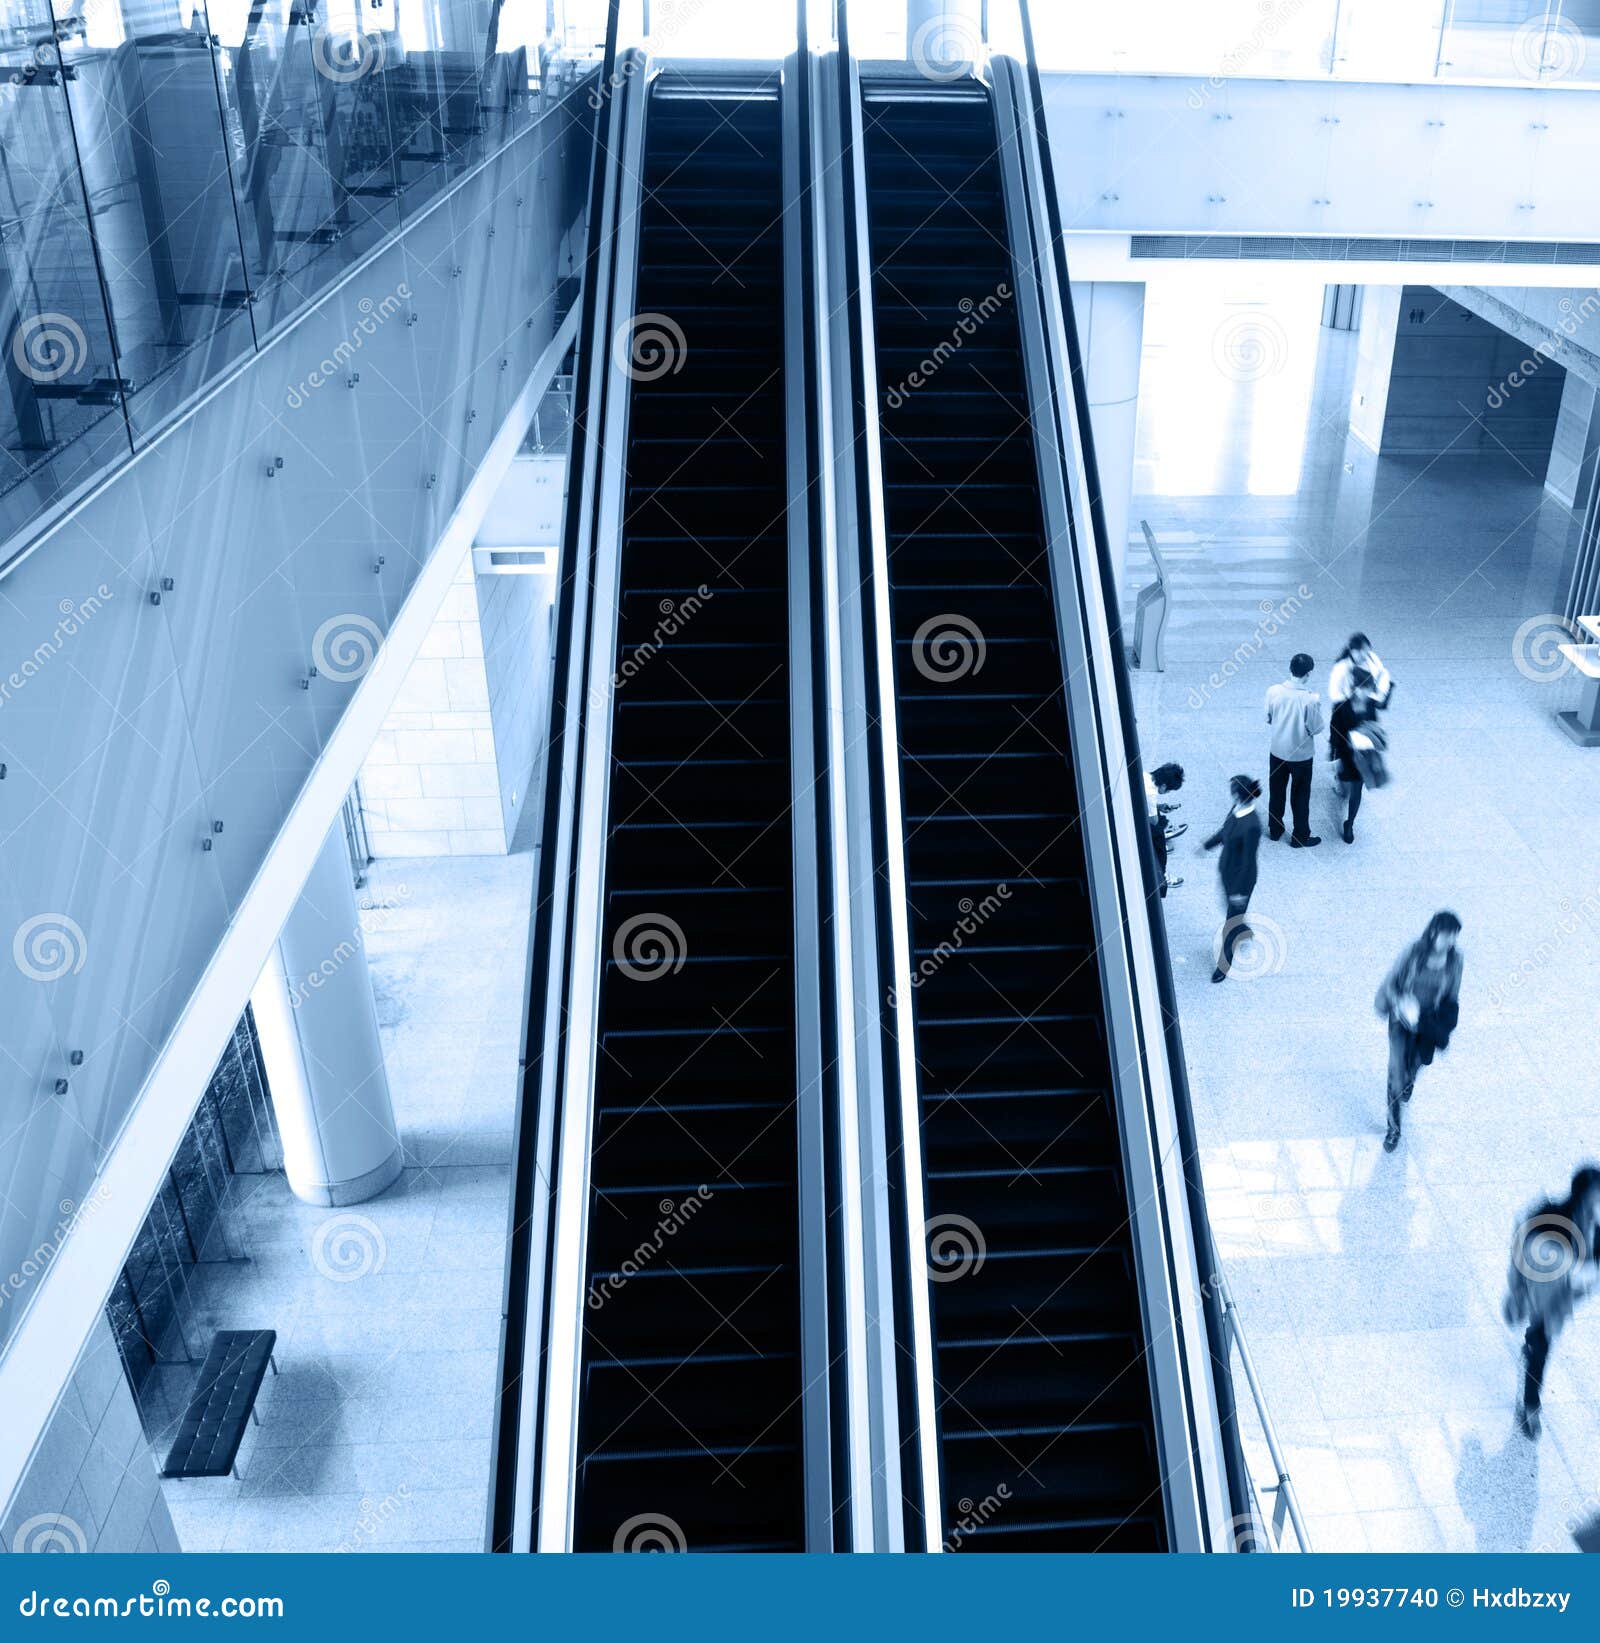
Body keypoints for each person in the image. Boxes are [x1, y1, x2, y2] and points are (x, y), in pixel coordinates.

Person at [1502, 1165, 1600, 1439]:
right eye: (1595, 1198)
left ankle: (1531, 1395)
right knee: (1542, 1339)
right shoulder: (1549, 1217)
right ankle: (1531, 1403)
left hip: (1565, 1296)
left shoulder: (1596, 1230)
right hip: (1541, 1287)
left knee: (1542, 1337)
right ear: (1580, 1196)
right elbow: (1521, 1250)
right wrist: (1517, 1290)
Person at [1374, 911, 1463, 1152]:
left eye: (1454, 936)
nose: (1450, 941)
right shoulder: (1413, 953)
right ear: (1434, 932)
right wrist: (1402, 1003)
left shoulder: (1456, 961)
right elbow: (1391, 983)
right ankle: (1394, 1130)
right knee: (1395, 1073)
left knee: (1415, 1065)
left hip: (1427, 1024)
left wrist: (1438, 1022)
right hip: (1401, 1020)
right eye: (1447, 935)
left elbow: (1452, 997)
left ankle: (1408, 1081)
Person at [1202, 775, 1264, 982]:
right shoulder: (1236, 808)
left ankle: (1224, 966)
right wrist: (1208, 845)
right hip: (1228, 872)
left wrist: (1238, 892)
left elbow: (1248, 863)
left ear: (1237, 794)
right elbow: (1225, 831)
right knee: (1232, 914)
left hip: (1241, 882)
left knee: (1230, 923)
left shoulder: (1252, 825)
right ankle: (1242, 928)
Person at [1265, 653, 1323, 848]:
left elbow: (1269, 717)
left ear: (1290, 669)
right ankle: (1300, 836)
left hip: (1277, 751)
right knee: (1300, 795)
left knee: (1276, 791)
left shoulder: (1273, 691)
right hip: (1301, 755)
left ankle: (1275, 829)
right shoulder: (1311, 699)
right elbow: (1316, 728)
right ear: (1308, 674)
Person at [1329, 667, 1382, 843]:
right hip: (1345, 752)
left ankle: (1349, 823)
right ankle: (1340, 783)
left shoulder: (1370, 704)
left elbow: (1375, 725)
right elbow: (1334, 730)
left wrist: (1369, 737)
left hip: (1362, 755)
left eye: (1369, 688)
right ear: (1356, 688)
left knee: (1357, 789)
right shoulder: (1341, 706)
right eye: (1365, 688)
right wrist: (1334, 750)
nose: (1368, 692)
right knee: (1344, 782)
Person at [1145, 762, 1184, 894]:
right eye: (1168, 790)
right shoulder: (1151, 792)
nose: (1167, 792)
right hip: (1139, 822)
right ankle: (1162, 877)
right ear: (1163, 786)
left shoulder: (1144, 775)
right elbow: (1153, 821)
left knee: (1160, 819)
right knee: (1159, 840)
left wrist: (1159, 806)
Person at [1328, 632, 1393, 707]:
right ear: (1353, 651)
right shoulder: (1341, 667)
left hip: (1369, 704)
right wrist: (1353, 697)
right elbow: (1334, 693)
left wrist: (1382, 692)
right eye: (1361, 652)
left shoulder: (1371, 657)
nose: (1365, 655)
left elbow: (1383, 673)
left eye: (1367, 651)